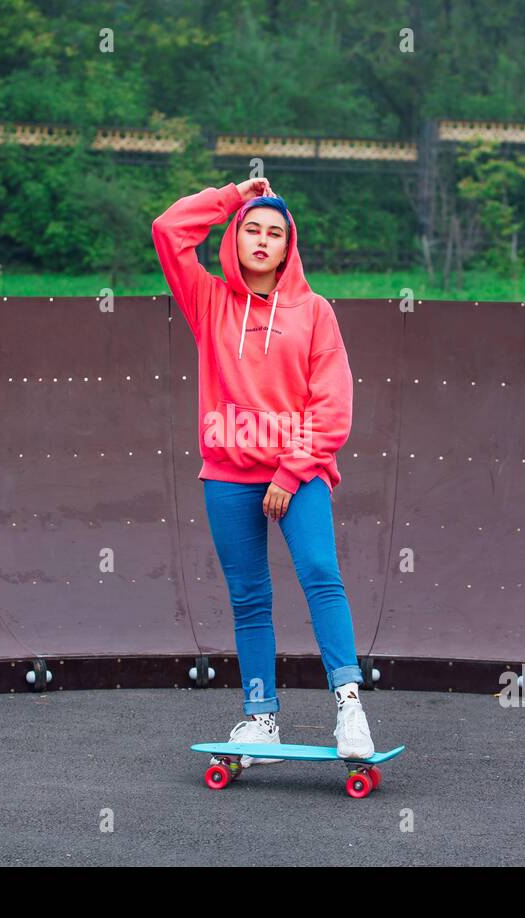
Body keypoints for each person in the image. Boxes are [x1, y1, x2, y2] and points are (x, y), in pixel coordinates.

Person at [152, 177, 374, 768]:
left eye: (274, 233)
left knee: (321, 575)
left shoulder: (314, 312)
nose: (262, 239)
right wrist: (232, 196)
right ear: (235, 237)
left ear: (287, 248)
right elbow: (169, 231)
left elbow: (333, 408)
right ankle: (261, 718)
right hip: (227, 473)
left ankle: (350, 706)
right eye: (252, 229)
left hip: (297, 473)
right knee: (250, 599)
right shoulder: (210, 302)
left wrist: (290, 470)